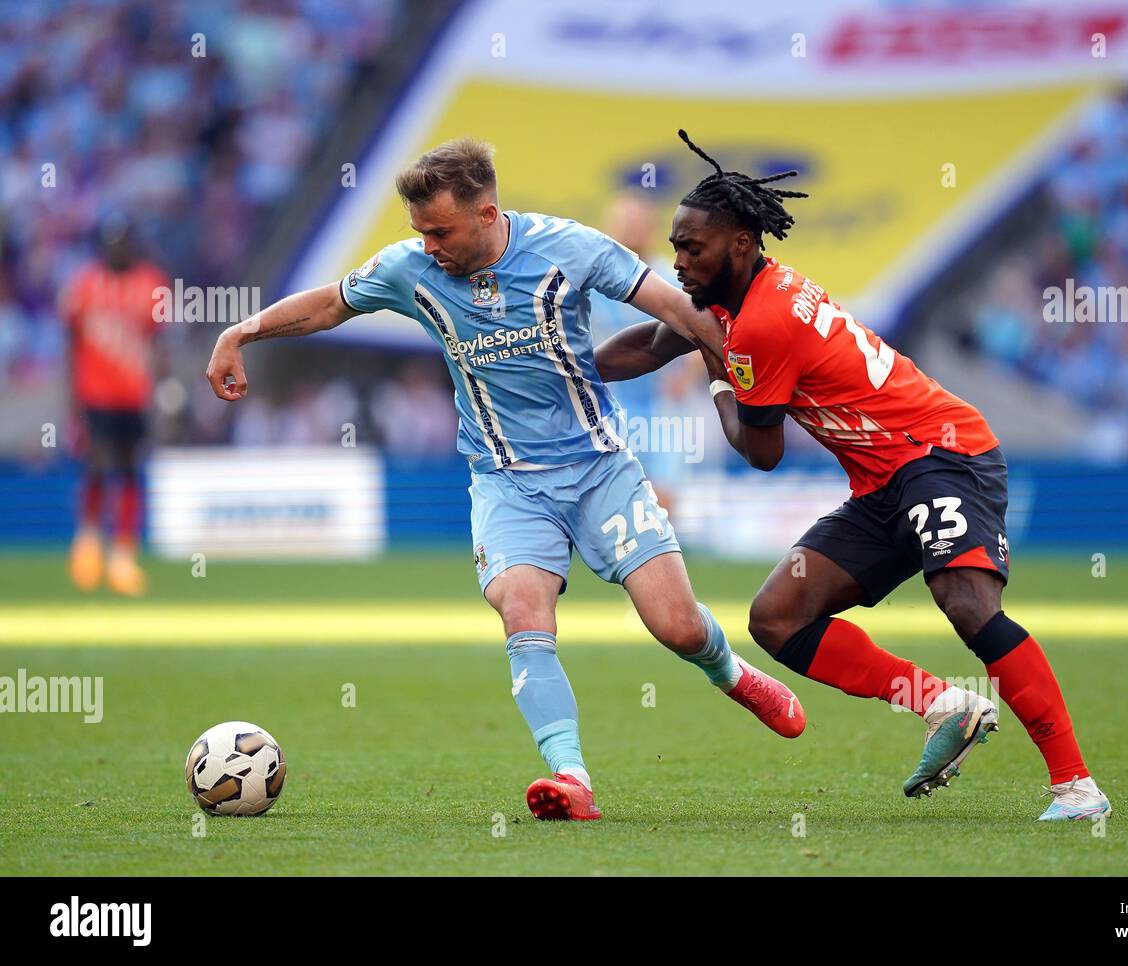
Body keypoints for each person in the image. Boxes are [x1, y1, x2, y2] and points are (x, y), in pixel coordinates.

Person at [205, 137, 807, 822]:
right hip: (506, 481)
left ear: (487, 213)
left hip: (599, 469)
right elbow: (331, 304)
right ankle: (570, 777)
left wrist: (747, 371)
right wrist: (241, 333)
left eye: (440, 231)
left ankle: (731, 673)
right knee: (523, 612)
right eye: (419, 232)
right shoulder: (410, 268)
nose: (428, 246)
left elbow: (679, 311)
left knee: (675, 627)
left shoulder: (569, 249)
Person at [596, 131, 1110, 820]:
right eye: (678, 245)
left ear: (741, 245)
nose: (679, 261)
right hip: (882, 482)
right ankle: (944, 705)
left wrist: (718, 378)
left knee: (965, 602)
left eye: (693, 247)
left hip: (940, 454)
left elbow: (763, 451)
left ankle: (1077, 787)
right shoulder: (735, 299)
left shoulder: (761, 324)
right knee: (778, 619)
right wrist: (564, 369)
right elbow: (655, 341)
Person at [62, 214, 168, 597]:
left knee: (127, 467)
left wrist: (163, 393)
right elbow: (70, 345)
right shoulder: (85, 284)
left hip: (133, 395)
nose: (117, 251)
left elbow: (159, 346)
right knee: (96, 462)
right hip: (95, 393)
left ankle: (122, 555)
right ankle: (88, 542)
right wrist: (70, 400)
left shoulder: (151, 283)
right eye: (111, 244)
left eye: (122, 243)